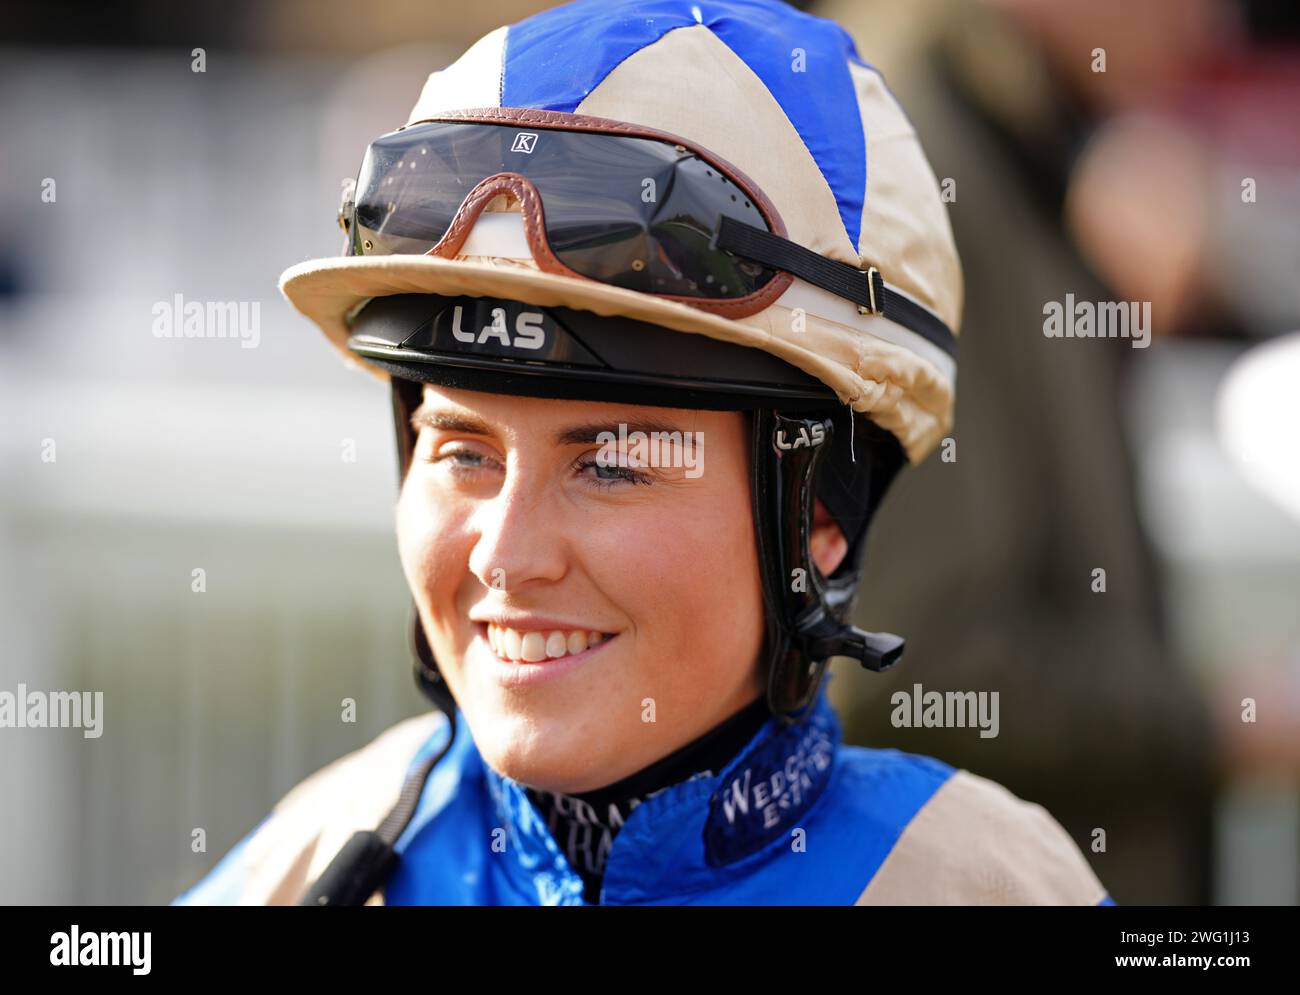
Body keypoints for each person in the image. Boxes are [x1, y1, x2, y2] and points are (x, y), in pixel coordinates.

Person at [173, 0, 1112, 906]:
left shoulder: (984, 884)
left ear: (821, 511)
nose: (506, 554)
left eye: (609, 462)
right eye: (464, 452)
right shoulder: (323, 851)